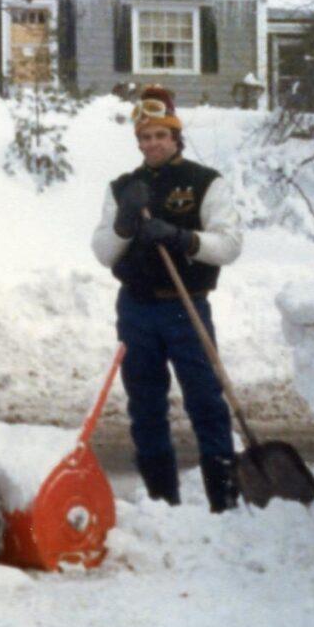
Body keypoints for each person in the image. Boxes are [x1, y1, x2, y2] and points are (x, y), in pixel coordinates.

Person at [91, 84, 243, 513]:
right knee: (145, 405)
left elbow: (230, 245)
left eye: (161, 135)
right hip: (136, 308)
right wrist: (124, 222)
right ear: (138, 141)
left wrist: (182, 238)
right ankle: (162, 502)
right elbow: (103, 252)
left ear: (176, 136)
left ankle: (224, 501)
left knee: (205, 400)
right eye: (145, 136)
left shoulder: (204, 181)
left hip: (185, 305)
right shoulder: (122, 187)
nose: (153, 143)